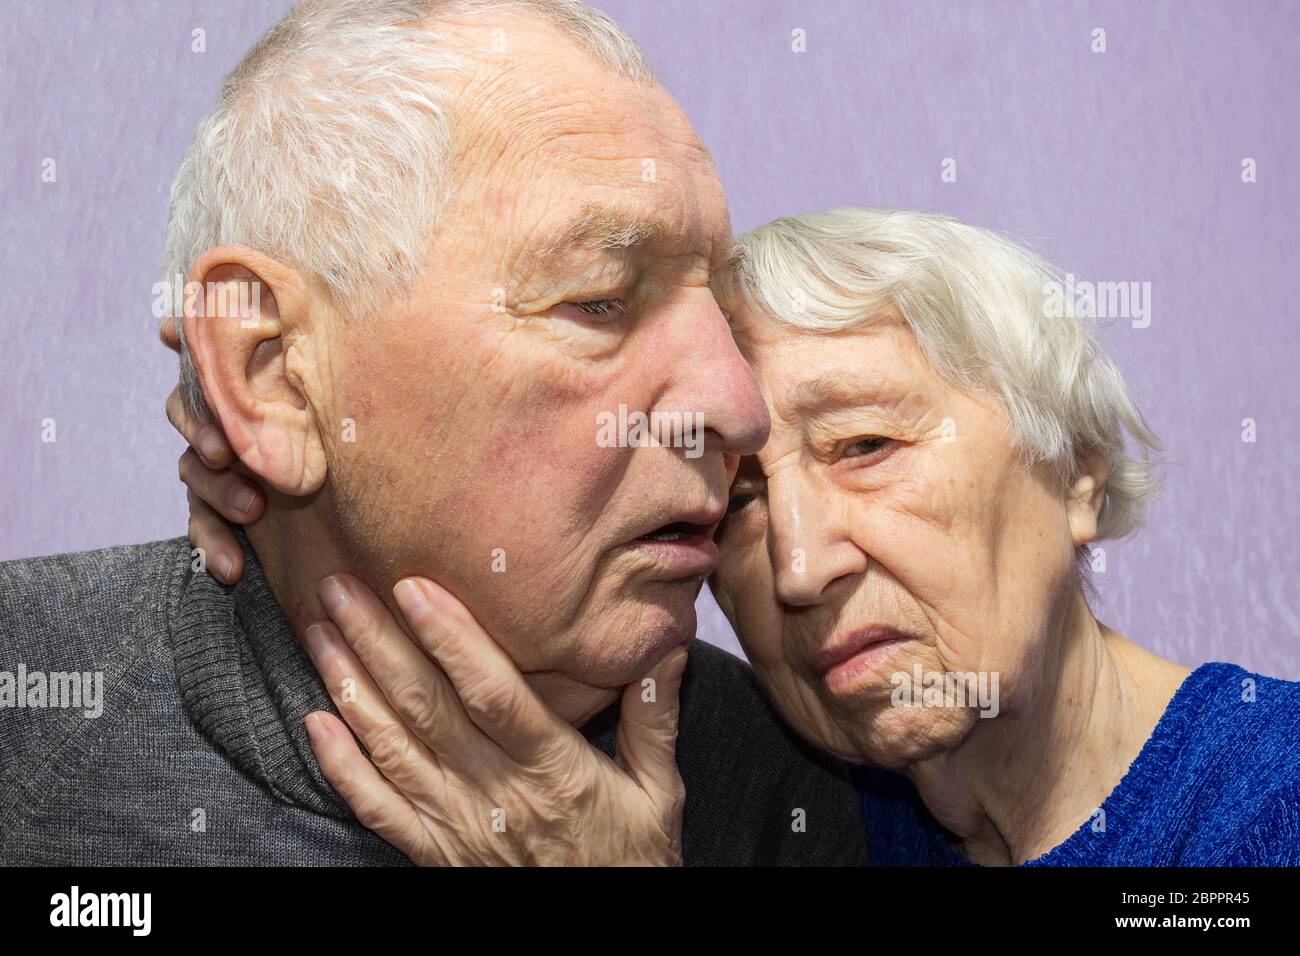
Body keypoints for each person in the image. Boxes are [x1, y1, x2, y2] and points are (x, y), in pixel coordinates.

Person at [0, 0, 869, 867]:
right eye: (599, 299)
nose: (737, 406)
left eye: (719, 308)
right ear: (272, 375)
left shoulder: (796, 778)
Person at [184, 207, 1300, 867]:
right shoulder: (752, 788)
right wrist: (275, 420)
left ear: (1077, 478)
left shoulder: (1267, 804)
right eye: (741, 504)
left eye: (865, 444)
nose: (803, 568)